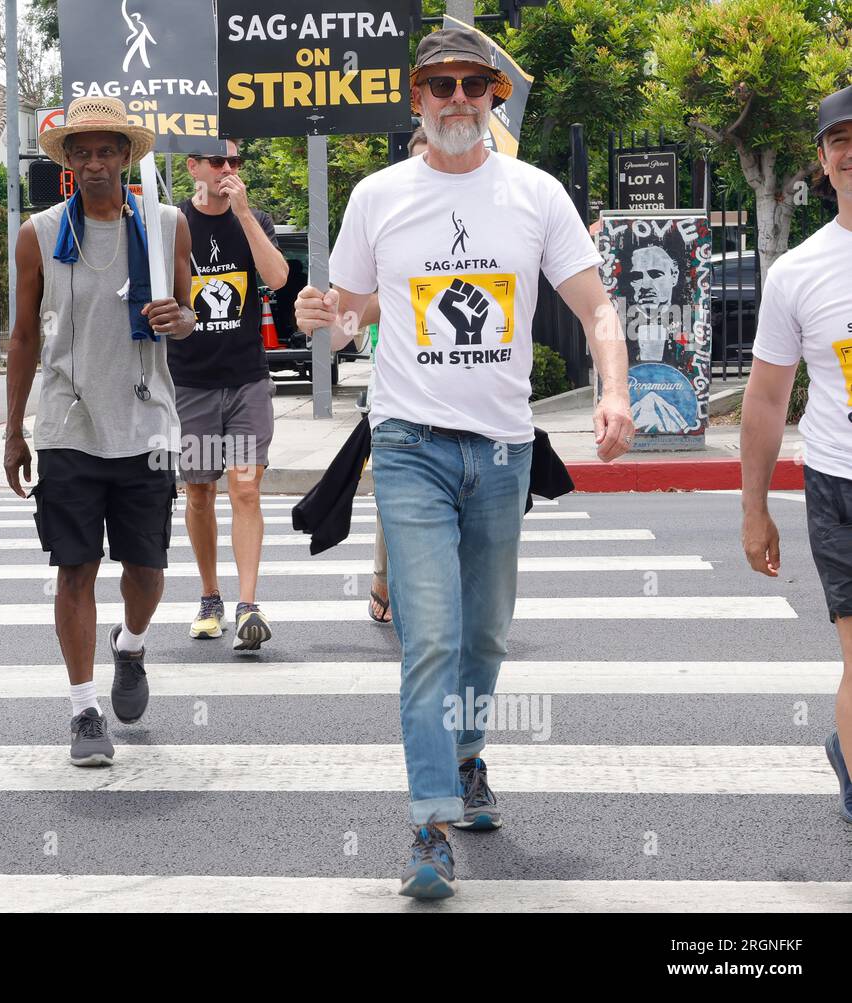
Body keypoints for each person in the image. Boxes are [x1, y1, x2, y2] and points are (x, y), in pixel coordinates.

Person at [296, 26, 634, 899]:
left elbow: (597, 308)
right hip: (408, 445)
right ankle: (428, 824)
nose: (456, 99)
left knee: (484, 634)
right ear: (416, 96)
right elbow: (353, 313)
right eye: (439, 84)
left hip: (503, 449)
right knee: (431, 636)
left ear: (494, 96)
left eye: (472, 84)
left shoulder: (535, 194)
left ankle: (470, 755)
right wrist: (321, 315)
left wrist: (615, 391)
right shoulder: (378, 197)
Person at [4, 97, 195, 767]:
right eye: (78, 152)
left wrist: (180, 319)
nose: (92, 163)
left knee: (146, 570)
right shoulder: (40, 233)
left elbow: (190, 312)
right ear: (67, 162)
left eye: (103, 150)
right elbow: (24, 335)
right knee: (74, 569)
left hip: (144, 426)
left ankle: (132, 645)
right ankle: (84, 708)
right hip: (66, 427)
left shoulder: (167, 225)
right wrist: (13, 430)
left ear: (124, 155)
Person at [741, 83, 852, 825]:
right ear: (822, 159)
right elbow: (767, 398)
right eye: (841, 140)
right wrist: (754, 509)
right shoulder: (799, 273)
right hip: (840, 483)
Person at [173, 140, 289, 651]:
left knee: (245, 488)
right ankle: (209, 596)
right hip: (190, 382)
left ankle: (248, 604)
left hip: (246, 381)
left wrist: (243, 213)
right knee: (199, 491)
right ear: (192, 166)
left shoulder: (253, 219)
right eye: (217, 161)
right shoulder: (171, 222)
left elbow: (279, 278)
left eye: (235, 163)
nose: (227, 170)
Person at [366, 124, 428, 625]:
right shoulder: (388, 212)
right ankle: (385, 578)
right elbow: (355, 303)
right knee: (396, 497)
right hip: (396, 391)